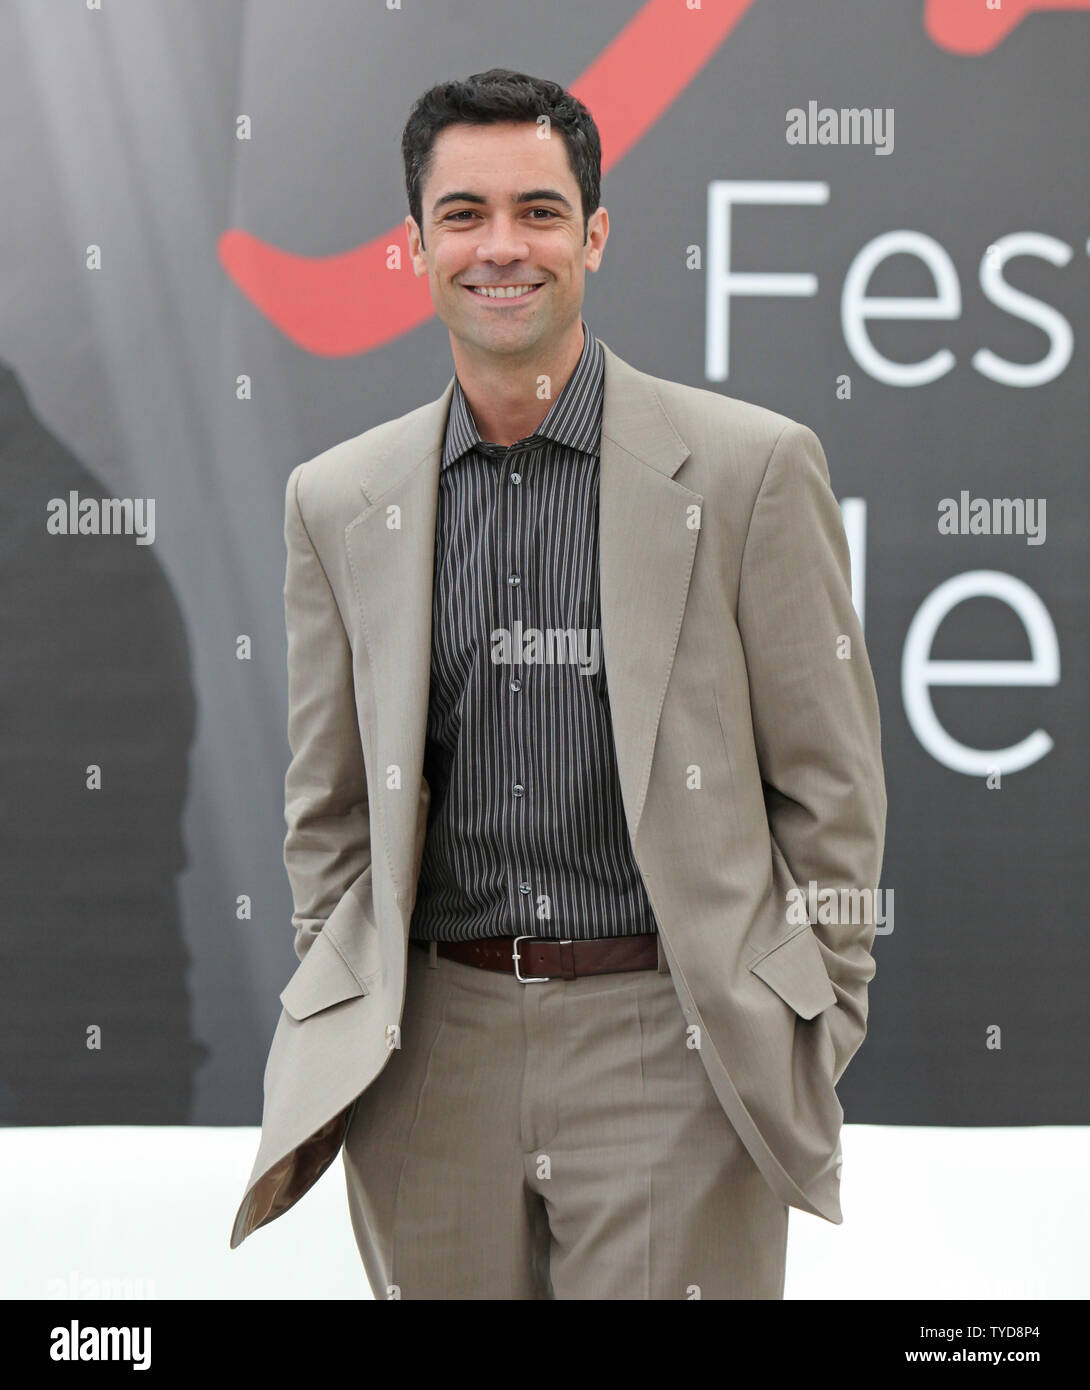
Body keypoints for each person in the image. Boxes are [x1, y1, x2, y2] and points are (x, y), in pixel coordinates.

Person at [230, 68, 887, 1301]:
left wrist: (808, 1015)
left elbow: (832, 790)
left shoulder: (749, 470)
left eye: (539, 210)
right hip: (427, 1058)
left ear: (592, 232)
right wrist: (351, 992)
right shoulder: (337, 498)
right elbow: (326, 807)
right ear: (414, 245)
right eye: (464, 214)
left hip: (676, 1035)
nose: (502, 247)